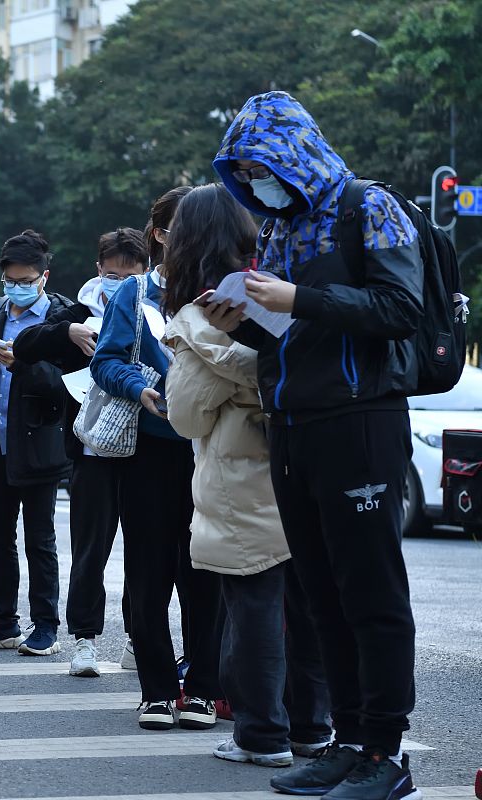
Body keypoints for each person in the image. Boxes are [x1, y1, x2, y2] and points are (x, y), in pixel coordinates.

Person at [208, 91, 423, 799]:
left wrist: (295, 298)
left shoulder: (369, 208)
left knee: (370, 589)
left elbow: (400, 310)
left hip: (360, 422)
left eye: (260, 164)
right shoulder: (278, 229)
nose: (255, 180)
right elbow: (290, 337)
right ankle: (348, 739)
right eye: (242, 170)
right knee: (319, 593)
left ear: (294, 152)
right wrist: (240, 317)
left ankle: (387, 754)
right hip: (294, 426)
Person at [161, 183, 332, 768]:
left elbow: (185, 415)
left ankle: (261, 736)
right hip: (299, 463)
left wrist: (222, 390)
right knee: (308, 609)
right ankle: (313, 728)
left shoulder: (198, 314)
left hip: (240, 477)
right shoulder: (277, 289)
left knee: (253, 610)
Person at [90, 191, 223, 732]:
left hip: (212, 451)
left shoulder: (226, 291)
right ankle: (157, 689)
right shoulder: (132, 294)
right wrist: (137, 387)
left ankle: (204, 690)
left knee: (205, 575)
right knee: (147, 575)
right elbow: (107, 360)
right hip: (149, 450)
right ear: (160, 235)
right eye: (178, 228)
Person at [13, 227, 148, 676]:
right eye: (112, 274)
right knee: (90, 550)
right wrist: (67, 332)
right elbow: (26, 345)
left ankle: (138, 638)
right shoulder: (76, 313)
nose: (120, 283)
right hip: (91, 451)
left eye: (130, 275)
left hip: (147, 449)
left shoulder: (157, 310)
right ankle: (85, 640)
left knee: (146, 552)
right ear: (98, 271)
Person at [0, 230, 72, 657]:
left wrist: (21, 364)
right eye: (10, 280)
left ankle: (45, 625)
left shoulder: (63, 318)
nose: (17, 288)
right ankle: (3, 620)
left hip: (39, 445)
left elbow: (68, 385)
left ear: (44, 277)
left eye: (26, 280)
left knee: (40, 539)